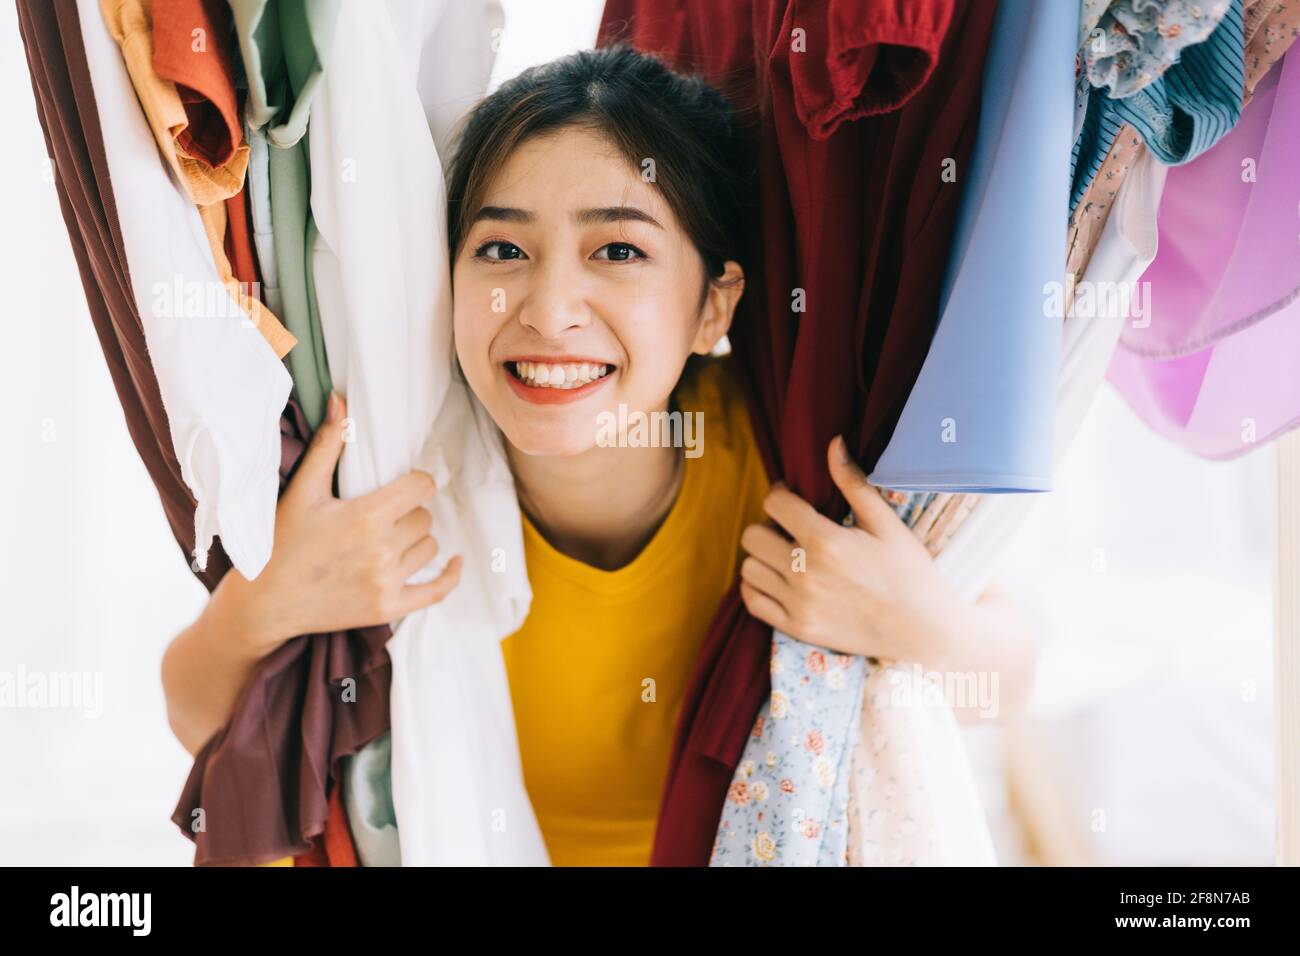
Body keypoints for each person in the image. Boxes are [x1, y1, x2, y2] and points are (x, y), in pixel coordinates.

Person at [161, 45, 1037, 866]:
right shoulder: (388, 482)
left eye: (617, 250)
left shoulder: (797, 464)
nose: (549, 309)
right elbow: (196, 717)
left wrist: (918, 626)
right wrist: (270, 599)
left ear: (712, 307)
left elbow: (1008, 681)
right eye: (503, 248)